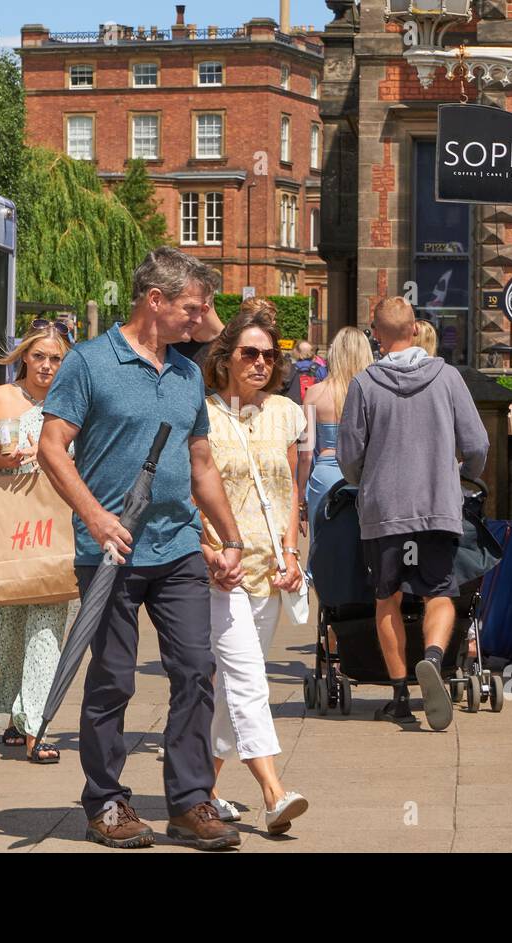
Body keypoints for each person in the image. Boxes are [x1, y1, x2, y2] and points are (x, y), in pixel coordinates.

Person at [38, 246, 247, 851]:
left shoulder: (185, 373)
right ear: (154, 301)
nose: (199, 318)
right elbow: (54, 447)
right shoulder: (88, 362)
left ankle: (189, 801)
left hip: (178, 547)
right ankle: (105, 800)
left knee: (195, 670)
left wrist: (228, 536)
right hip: (111, 551)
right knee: (112, 679)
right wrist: (96, 518)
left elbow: (201, 462)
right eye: (190, 306)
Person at [337, 296, 489, 731]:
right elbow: (477, 443)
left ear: (377, 334)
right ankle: (434, 658)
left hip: (385, 511)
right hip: (438, 506)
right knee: (439, 592)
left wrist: (371, 476)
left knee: (387, 598)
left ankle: (400, 697)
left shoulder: (365, 384)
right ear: (415, 329)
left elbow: (349, 457)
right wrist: (462, 476)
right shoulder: (447, 378)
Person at [199, 300, 310, 835]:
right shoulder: (202, 414)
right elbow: (190, 493)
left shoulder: (287, 413)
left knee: (230, 688)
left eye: (270, 354)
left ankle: (200, 789)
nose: (262, 362)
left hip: (272, 569)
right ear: (226, 358)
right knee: (247, 679)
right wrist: (208, 549)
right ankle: (274, 793)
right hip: (224, 570)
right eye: (250, 353)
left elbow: (290, 491)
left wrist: (292, 556)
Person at [0, 324, 77, 764]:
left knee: (47, 625)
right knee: (12, 625)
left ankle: (36, 727)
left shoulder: (72, 402)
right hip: (11, 526)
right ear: (24, 356)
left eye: (57, 359)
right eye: (41, 356)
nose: (47, 366)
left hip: (53, 523)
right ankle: (15, 714)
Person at [297, 326, 374, 538]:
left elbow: (305, 453)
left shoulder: (314, 393)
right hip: (363, 476)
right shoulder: (373, 393)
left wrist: (300, 496)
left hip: (325, 477)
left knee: (322, 547)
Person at [283, 339, 328, 404]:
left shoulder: (289, 369)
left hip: (294, 407)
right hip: (313, 407)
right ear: (312, 352)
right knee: (310, 414)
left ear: (297, 352)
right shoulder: (321, 369)